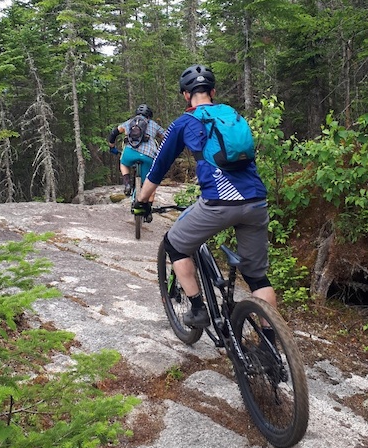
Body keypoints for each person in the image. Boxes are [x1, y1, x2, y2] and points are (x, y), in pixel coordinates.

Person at [134, 65, 277, 331]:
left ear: (186, 96)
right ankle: (271, 347)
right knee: (257, 278)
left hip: (219, 203)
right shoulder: (232, 115)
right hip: (256, 201)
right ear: (213, 92)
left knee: (174, 245)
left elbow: (159, 166)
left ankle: (198, 309)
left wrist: (142, 199)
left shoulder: (184, 122)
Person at [108, 104, 165, 203]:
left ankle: (127, 184)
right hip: (148, 156)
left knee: (123, 163)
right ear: (149, 116)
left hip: (130, 153)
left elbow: (114, 133)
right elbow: (166, 137)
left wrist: (112, 147)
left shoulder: (130, 122)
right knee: (149, 182)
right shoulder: (153, 124)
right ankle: (148, 208)